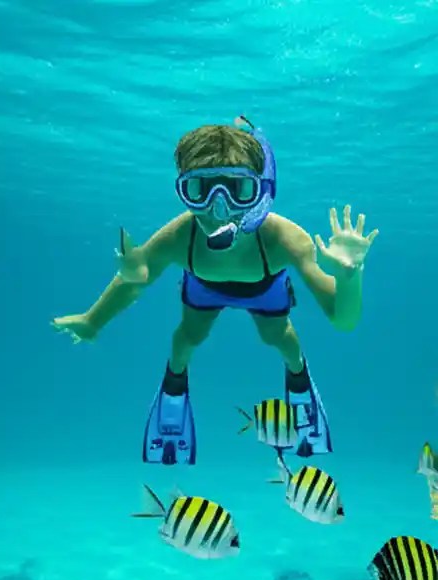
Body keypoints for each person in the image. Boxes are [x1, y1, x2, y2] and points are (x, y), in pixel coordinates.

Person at [51, 116, 379, 465]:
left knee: (279, 337)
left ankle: (298, 375)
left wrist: (349, 276)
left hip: (264, 287)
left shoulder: (285, 239)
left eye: (237, 190)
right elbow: (134, 282)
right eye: (200, 190)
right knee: (186, 340)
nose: (217, 208)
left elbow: (343, 320)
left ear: (262, 192)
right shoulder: (180, 236)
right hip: (204, 286)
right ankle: (174, 385)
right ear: (184, 193)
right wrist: (92, 321)